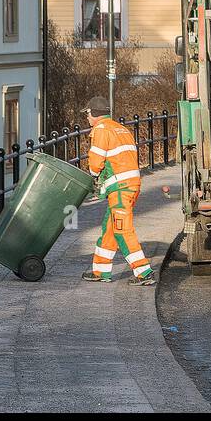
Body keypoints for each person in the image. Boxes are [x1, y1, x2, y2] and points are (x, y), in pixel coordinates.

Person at [80, 96, 155, 285]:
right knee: (111, 228)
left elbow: (96, 162)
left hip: (120, 188)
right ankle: (100, 271)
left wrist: (93, 174)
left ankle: (143, 272)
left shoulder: (100, 130)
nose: (87, 118)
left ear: (94, 114)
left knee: (122, 230)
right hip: (130, 184)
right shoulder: (121, 128)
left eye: (88, 114)